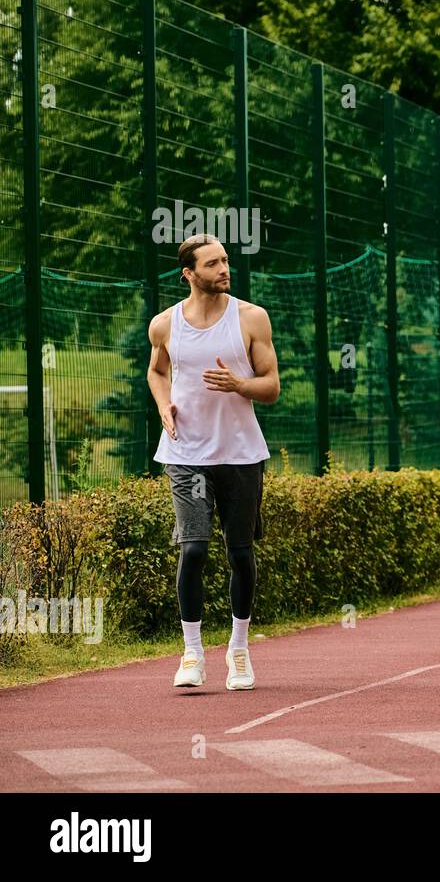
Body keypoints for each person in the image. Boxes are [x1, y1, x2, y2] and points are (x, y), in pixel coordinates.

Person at [147, 233, 279, 691]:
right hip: (186, 455)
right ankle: (192, 654)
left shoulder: (250, 318)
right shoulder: (164, 325)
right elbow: (157, 370)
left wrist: (239, 385)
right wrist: (163, 405)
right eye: (213, 264)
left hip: (240, 454)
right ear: (189, 273)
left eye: (225, 260)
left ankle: (238, 651)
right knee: (195, 549)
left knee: (240, 553)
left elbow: (272, 385)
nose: (224, 269)